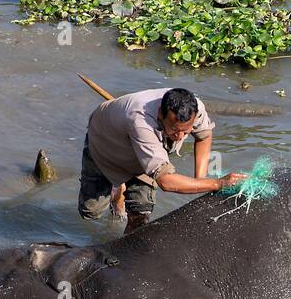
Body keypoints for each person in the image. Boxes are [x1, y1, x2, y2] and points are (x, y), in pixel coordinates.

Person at [79, 87, 247, 233]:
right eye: (174, 130)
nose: (179, 136)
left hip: (146, 154)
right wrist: (217, 183)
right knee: (90, 213)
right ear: (160, 114)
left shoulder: (196, 109)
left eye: (185, 131)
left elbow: (204, 136)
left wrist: (200, 180)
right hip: (106, 144)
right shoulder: (141, 122)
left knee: (140, 215)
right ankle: (117, 190)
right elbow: (165, 182)